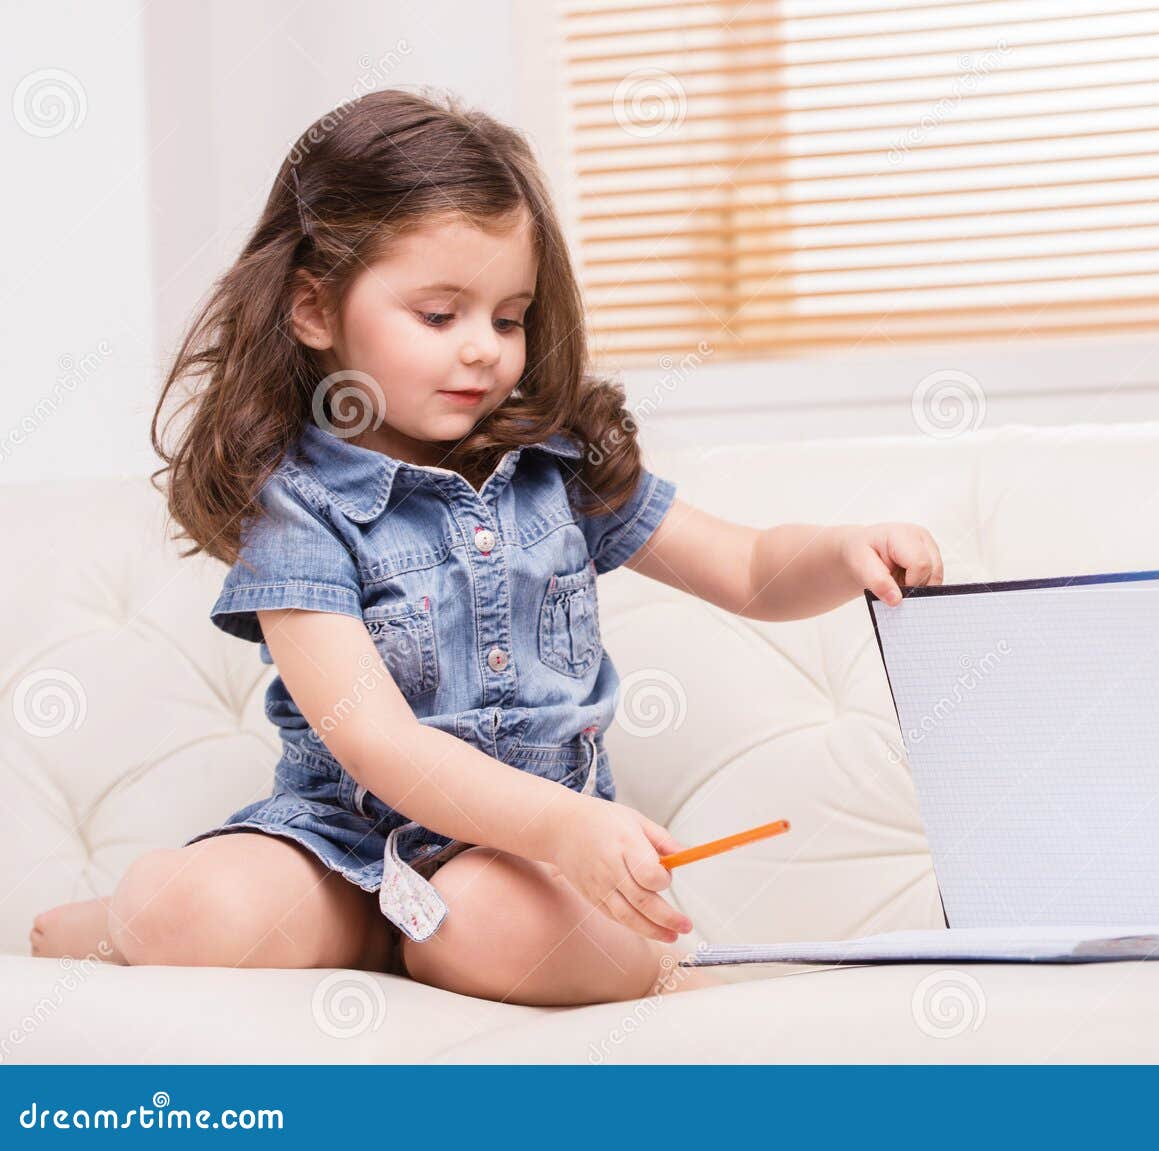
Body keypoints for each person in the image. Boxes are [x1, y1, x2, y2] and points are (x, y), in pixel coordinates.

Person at [29, 89, 943, 1006]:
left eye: (508, 318)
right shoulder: (299, 509)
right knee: (196, 910)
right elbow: (379, 741)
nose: (485, 351)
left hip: (515, 860)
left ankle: (444, 941)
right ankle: (117, 924)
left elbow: (747, 569)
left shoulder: (557, 466)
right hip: (338, 844)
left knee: (493, 924)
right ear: (314, 309)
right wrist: (567, 826)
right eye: (439, 316)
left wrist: (841, 549)